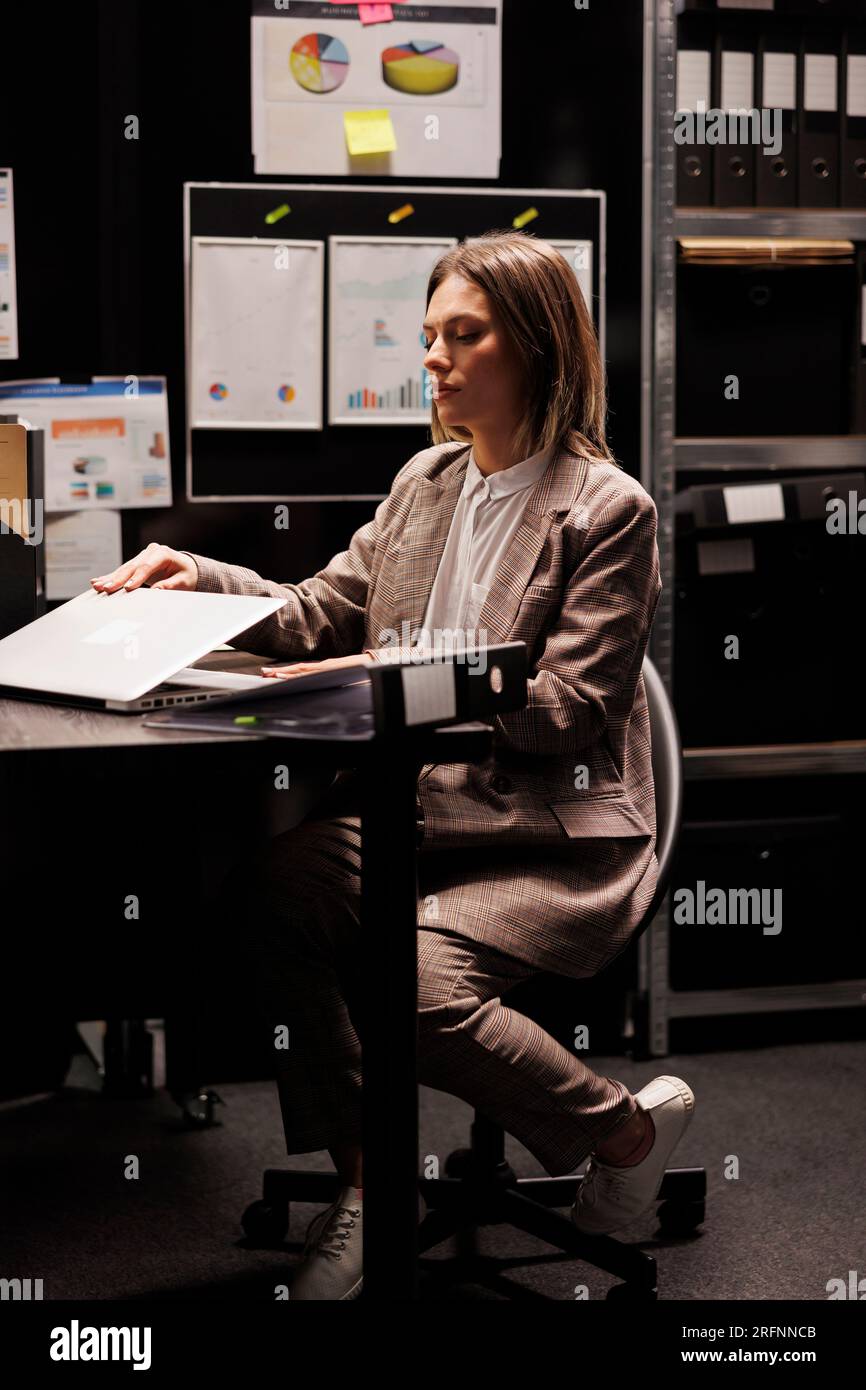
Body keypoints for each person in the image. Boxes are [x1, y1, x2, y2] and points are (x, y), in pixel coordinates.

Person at [90, 230, 694, 1300]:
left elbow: (566, 712)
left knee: (407, 987)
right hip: (421, 813)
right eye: (427, 336)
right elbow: (323, 611)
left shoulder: (608, 511)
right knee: (276, 896)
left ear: (540, 347)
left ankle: (619, 1135)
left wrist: (419, 677)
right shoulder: (424, 481)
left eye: (464, 334)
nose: (433, 358)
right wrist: (199, 581)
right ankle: (371, 1182)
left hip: (548, 835)